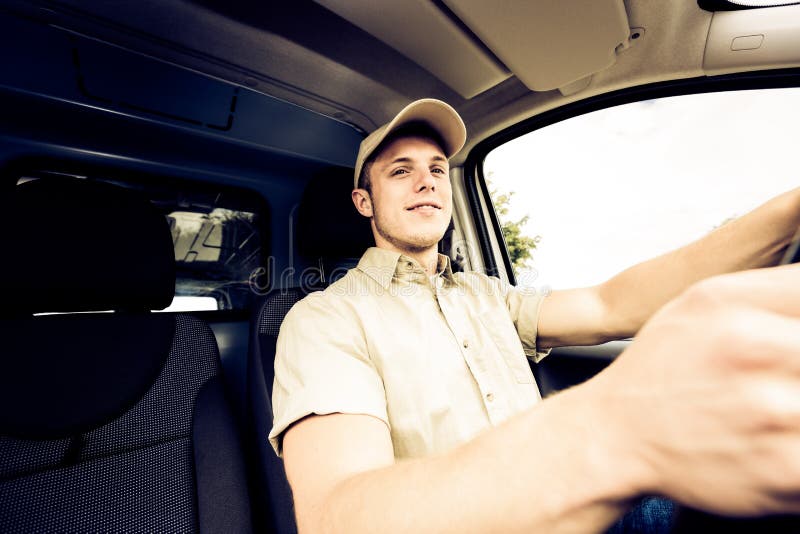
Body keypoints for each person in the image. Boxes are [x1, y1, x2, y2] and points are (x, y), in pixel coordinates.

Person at [269, 99, 800, 533]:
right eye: (401, 171)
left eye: (437, 170)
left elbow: (610, 304)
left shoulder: (486, 294)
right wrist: (615, 430)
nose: (427, 182)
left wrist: (787, 214)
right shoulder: (324, 319)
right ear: (364, 202)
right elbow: (335, 516)